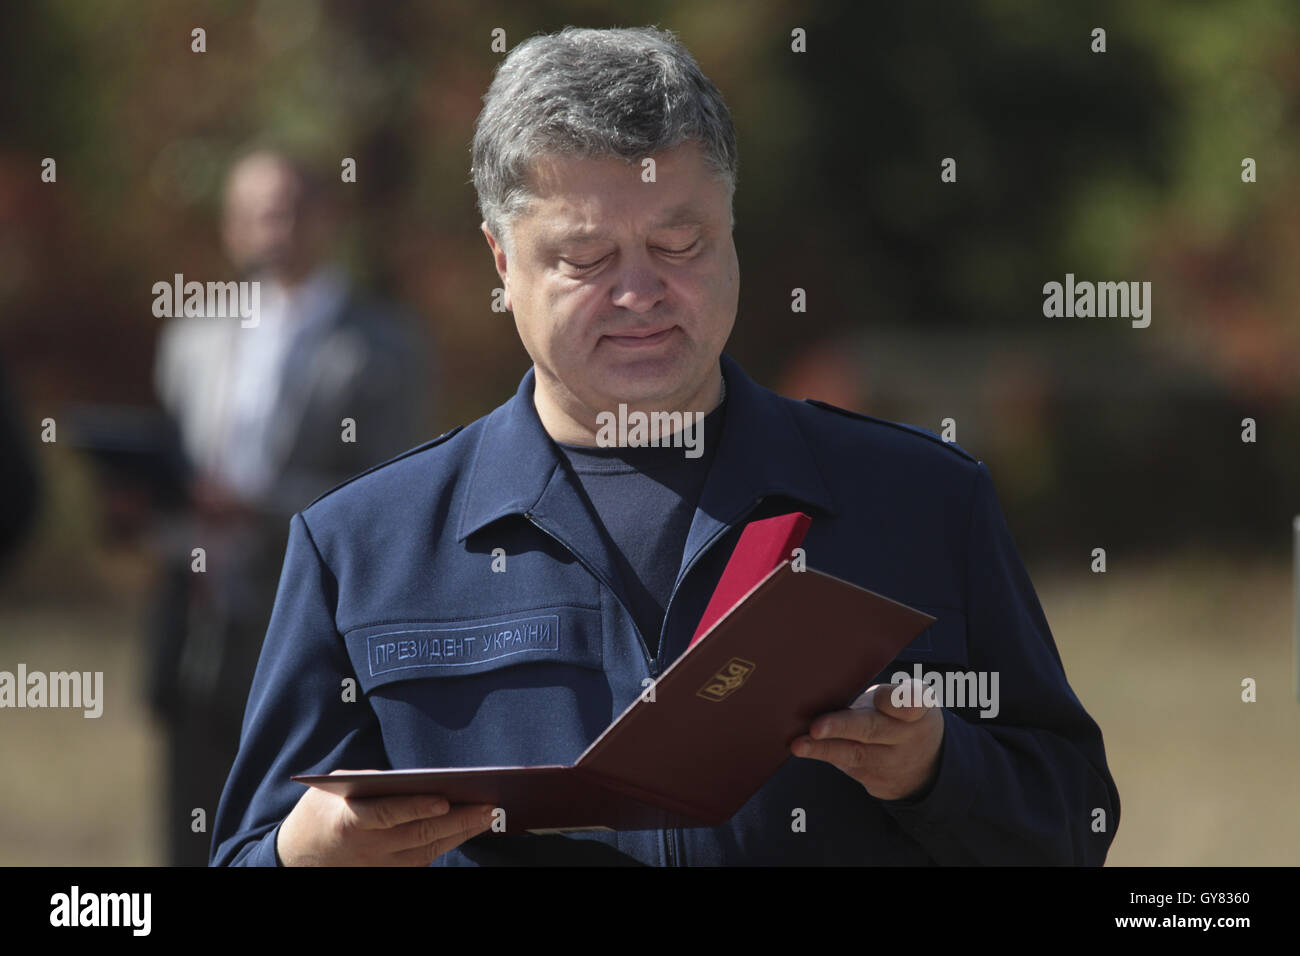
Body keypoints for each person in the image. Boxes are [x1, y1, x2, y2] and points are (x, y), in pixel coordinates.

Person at [211, 26, 1118, 866]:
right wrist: (305, 853)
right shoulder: (358, 548)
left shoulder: (922, 501)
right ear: (501, 260)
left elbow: (1076, 823)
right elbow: (246, 856)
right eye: (586, 258)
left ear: (731, 230)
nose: (640, 292)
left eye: (679, 243)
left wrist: (936, 768)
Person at [149, 149, 432, 865]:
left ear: (324, 218)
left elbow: (391, 487)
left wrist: (259, 506)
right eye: (247, 215)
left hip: (307, 634)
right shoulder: (193, 338)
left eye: (282, 211)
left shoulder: (381, 344)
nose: (265, 231)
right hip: (195, 629)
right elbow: (174, 471)